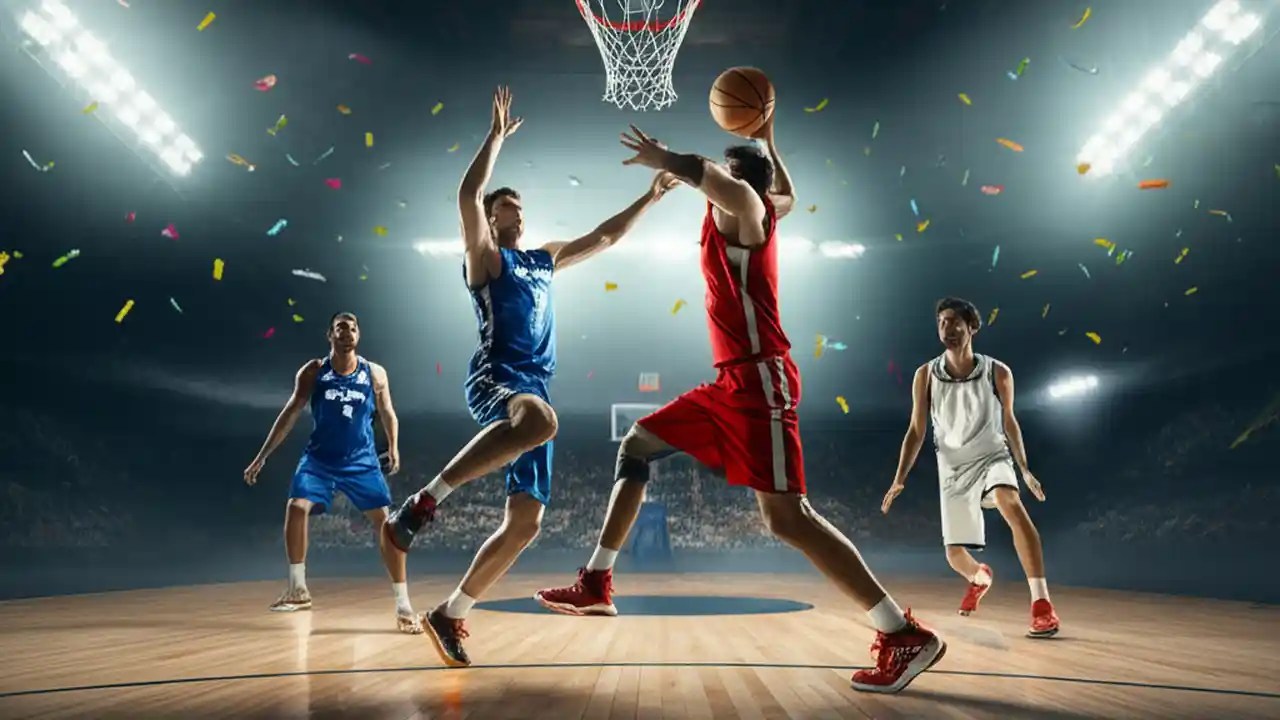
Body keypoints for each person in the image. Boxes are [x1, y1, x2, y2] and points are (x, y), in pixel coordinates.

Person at [533, 117, 947, 695]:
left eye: (733, 177)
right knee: (637, 445)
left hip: (762, 382)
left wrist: (666, 158)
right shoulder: (755, 207)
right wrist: (770, 136)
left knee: (788, 519)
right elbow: (789, 194)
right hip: (729, 384)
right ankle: (598, 580)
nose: (720, 186)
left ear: (744, 183)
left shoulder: (749, 213)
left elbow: (716, 179)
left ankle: (900, 631)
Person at [383, 86, 679, 668]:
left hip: (533, 389)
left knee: (525, 523)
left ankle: (451, 614)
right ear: (493, 219)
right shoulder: (485, 260)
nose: (514, 208)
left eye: (518, 204)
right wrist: (494, 139)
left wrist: (649, 196)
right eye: (505, 206)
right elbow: (467, 192)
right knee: (541, 420)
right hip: (498, 376)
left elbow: (605, 237)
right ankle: (422, 504)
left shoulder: (543, 259)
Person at [881, 297, 1060, 638]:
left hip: (992, 456)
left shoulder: (998, 372)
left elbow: (1010, 422)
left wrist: (1023, 469)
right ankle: (979, 578)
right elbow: (917, 430)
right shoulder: (925, 375)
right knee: (953, 555)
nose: (947, 328)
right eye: (942, 322)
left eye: (954, 322)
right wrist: (898, 478)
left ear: (972, 327)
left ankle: (1042, 605)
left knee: (1011, 504)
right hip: (952, 468)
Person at [243, 312, 421, 634]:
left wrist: (393, 446)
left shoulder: (375, 373)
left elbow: (388, 412)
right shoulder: (313, 372)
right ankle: (298, 590)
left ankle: (403, 605)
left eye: (352, 328)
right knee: (296, 508)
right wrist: (262, 457)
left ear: (358, 335)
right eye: (341, 328)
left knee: (387, 525)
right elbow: (289, 414)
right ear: (330, 335)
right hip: (320, 459)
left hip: (361, 461)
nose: (347, 333)